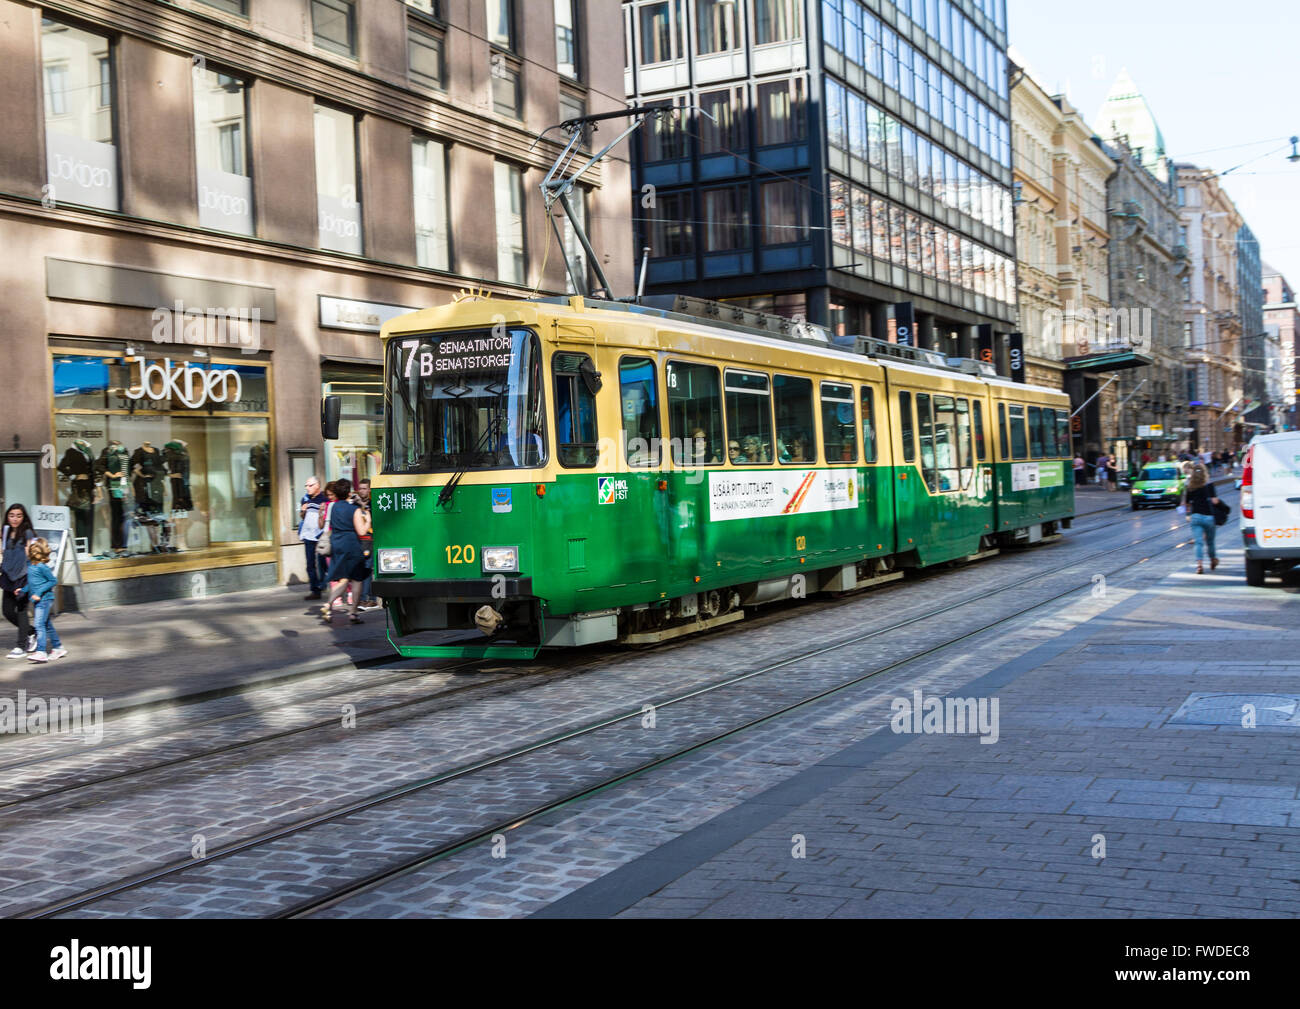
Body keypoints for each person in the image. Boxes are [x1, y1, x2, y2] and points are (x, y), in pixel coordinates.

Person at [320, 478, 371, 625]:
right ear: (349, 492)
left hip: (337, 545)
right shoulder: (353, 510)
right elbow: (361, 531)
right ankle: (353, 613)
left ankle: (328, 604)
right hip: (352, 546)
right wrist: (367, 519)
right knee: (357, 580)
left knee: (343, 579)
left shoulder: (333, 507)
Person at [1, 504, 35, 658]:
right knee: (7, 611)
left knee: (21, 611)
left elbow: (32, 554)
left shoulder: (27, 533)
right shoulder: (5, 532)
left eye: (19, 515)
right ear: (7, 516)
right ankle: (31, 632)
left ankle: (21, 646)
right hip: (8, 575)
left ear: (24, 517)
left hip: (22, 576)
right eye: (12, 515)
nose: (15, 519)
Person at [25, 538, 65, 663]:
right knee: (46, 624)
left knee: (39, 625)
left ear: (34, 550)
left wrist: (38, 592)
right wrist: (22, 590)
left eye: (27, 547)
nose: (25, 549)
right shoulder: (30, 565)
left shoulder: (42, 567)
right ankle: (58, 648)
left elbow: (53, 581)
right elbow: (32, 583)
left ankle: (41, 652)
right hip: (39, 600)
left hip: (45, 599)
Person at [1183, 463, 1222, 575]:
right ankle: (1213, 559)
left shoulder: (1190, 486)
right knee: (1210, 542)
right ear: (1205, 473)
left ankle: (1199, 565)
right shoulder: (1209, 485)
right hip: (1209, 517)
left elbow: (1187, 504)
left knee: (1198, 543)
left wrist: (1189, 512)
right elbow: (1215, 501)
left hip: (1195, 517)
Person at [298, 475, 327, 600]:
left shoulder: (324, 499)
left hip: (320, 534)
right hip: (308, 535)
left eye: (310, 485)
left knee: (323, 563)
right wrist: (303, 511)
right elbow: (303, 516)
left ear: (317, 486)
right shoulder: (305, 499)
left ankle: (323, 584)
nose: (307, 488)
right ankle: (315, 590)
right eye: (306, 485)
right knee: (310, 564)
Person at [354, 479, 379, 612]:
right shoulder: (355, 504)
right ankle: (366, 598)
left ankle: (369, 599)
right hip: (359, 541)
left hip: (370, 539)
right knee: (365, 570)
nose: (362, 490)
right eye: (360, 488)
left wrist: (363, 507)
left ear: (369, 490)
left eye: (364, 488)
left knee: (368, 570)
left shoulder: (372, 503)